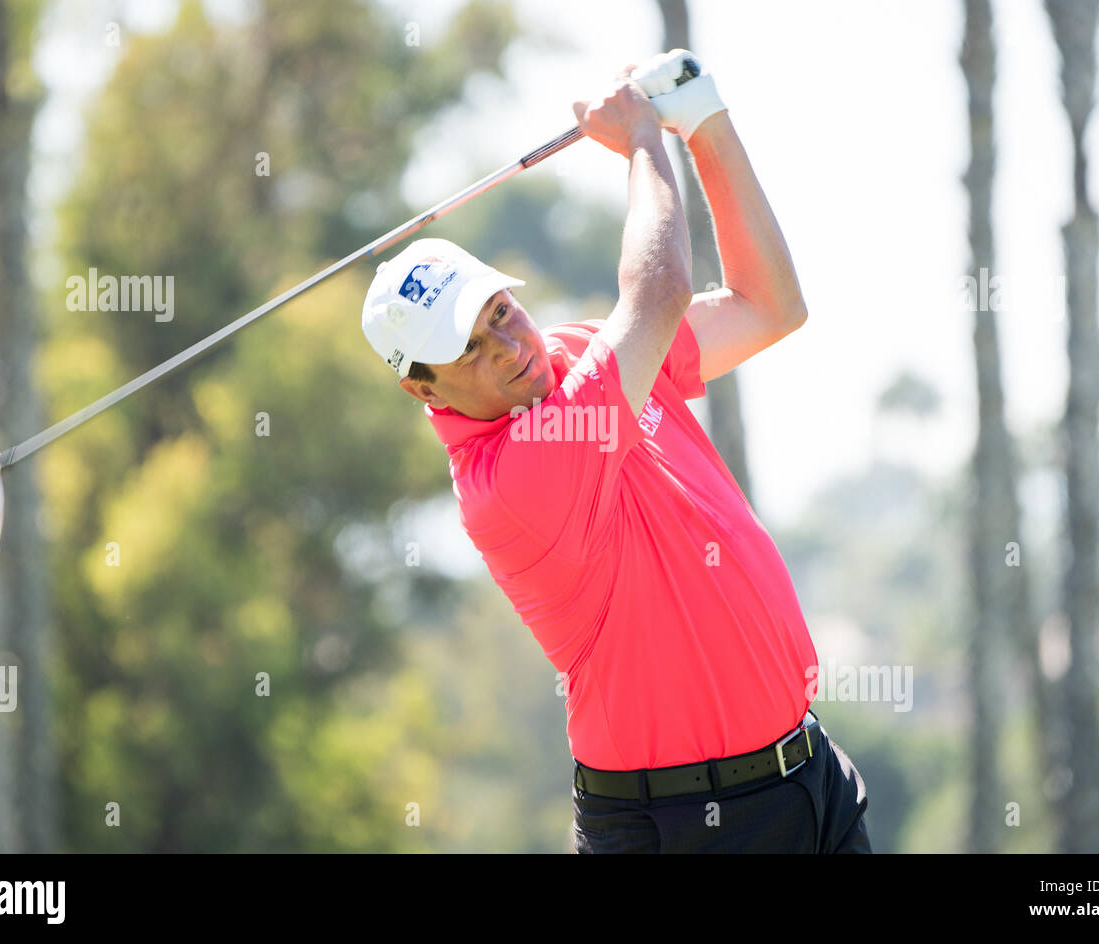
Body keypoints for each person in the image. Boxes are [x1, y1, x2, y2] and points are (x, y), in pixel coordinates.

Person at [361, 50, 871, 853]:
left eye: (498, 311)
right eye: (466, 346)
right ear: (424, 390)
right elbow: (659, 291)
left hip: (810, 782)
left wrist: (703, 120)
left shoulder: (572, 354)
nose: (506, 345)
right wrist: (641, 140)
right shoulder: (512, 485)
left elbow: (771, 306)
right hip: (686, 826)